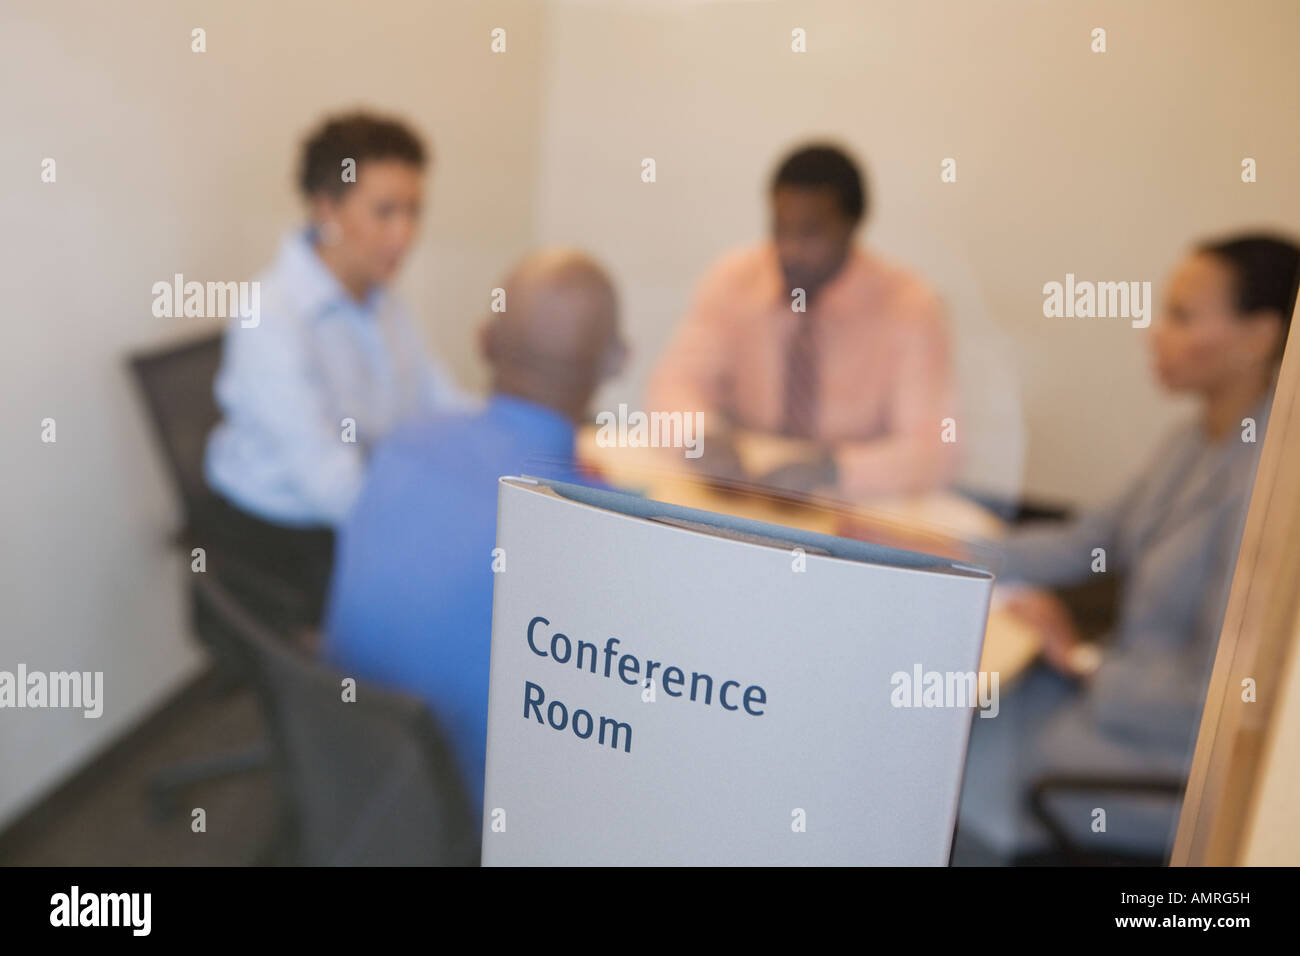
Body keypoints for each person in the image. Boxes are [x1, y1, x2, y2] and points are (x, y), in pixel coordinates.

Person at [956, 234, 1300, 863]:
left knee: (953, 771)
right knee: (954, 728)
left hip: (1165, 760)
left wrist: (1082, 658)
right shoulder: (1194, 441)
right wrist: (949, 550)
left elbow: (1218, 697)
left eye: (1181, 316)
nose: (1153, 332)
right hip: (1118, 702)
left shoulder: (1268, 491)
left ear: (1257, 337)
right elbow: (1092, 540)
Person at [323, 248, 625, 824]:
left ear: (483, 341)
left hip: (347, 765)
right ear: (616, 362)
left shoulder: (400, 445)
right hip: (483, 817)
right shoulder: (591, 531)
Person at [202, 112, 473, 620]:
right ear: (327, 209)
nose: (405, 233)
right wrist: (435, 528)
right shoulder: (272, 317)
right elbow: (328, 483)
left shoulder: (383, 299)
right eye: (385, 212)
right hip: (284, 539)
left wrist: (504, 441)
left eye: (415, 211)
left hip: (360, 503)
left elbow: (438, 401)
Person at [646, 143, 957, 499]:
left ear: (853, 225)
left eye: (810, 233)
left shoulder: (910, 305)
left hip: (853, 506)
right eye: (780, 228)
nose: (789, 250)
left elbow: (937, 447)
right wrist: (700, 437)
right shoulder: (734, 279)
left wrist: (837, 470)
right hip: (743, 492)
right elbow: (672, 386)